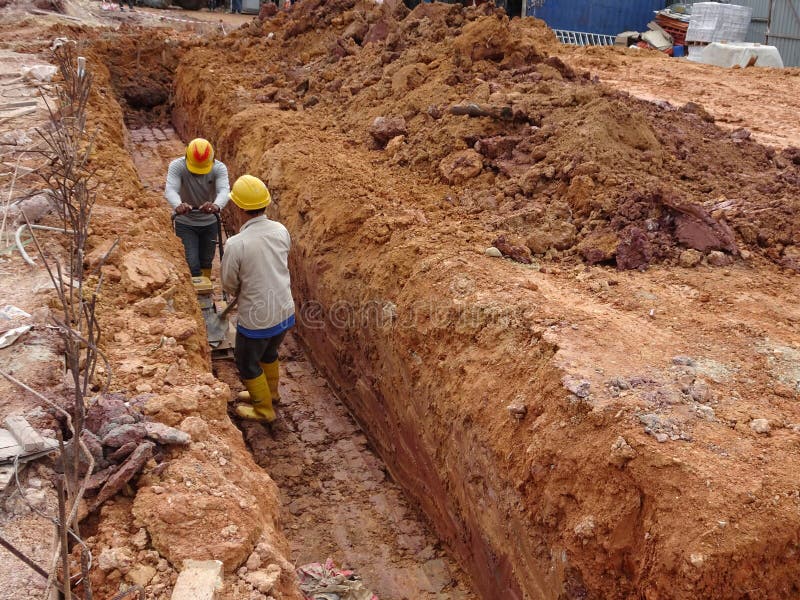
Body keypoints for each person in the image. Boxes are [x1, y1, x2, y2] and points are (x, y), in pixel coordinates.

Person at [221, 175, 295, 423]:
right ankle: (271, 394)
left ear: (239, 207)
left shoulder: (236, 243)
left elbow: (229, 284)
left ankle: (264, 411)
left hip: (257, 318)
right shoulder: (281, 230)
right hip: (284, 310)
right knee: (269, 353)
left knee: (246, 362)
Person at [164, 138, 230, 279]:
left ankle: (205, 290)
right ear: (187, 157)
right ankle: (195, 295)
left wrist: (215, 205)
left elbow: (224, 191)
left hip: (210, 222)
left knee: (206, 260)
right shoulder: (177, 166)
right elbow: (170, 190)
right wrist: (178, 205)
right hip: (186, 222)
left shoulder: (219, 168)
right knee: (191, 263)